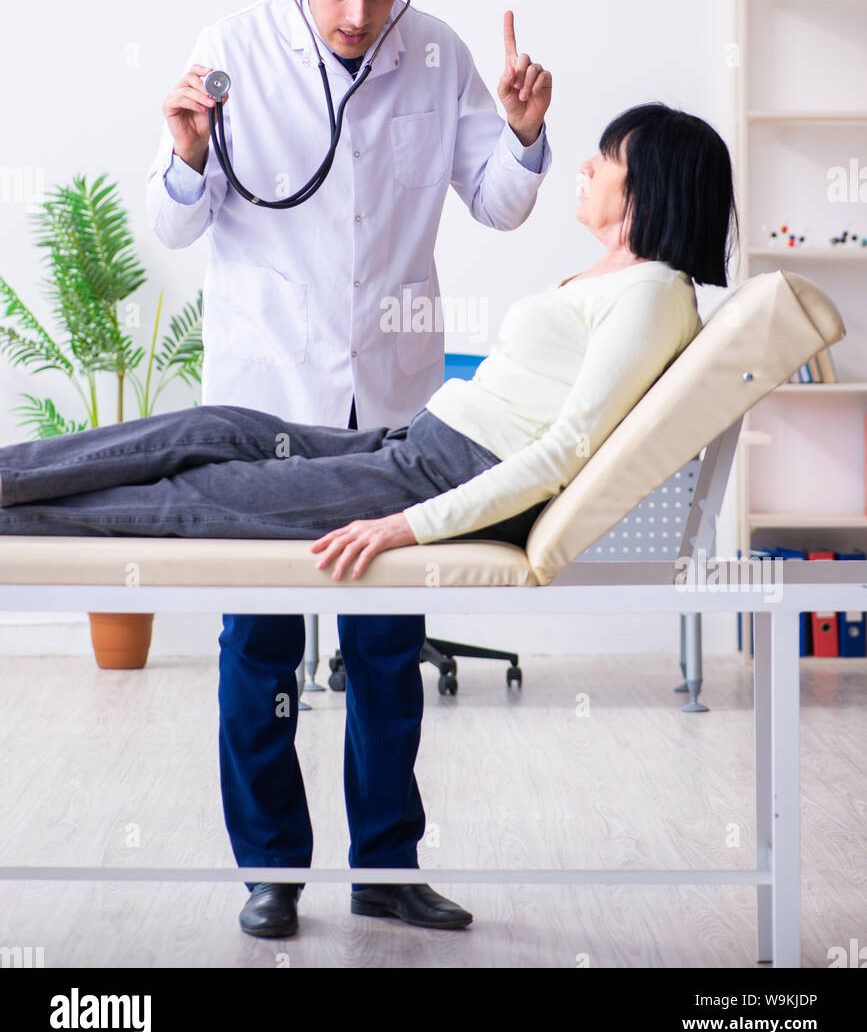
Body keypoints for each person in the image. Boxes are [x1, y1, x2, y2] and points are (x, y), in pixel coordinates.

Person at [0, 101, 739, 937]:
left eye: (605, 160)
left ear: (652, 186)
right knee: (211, 429)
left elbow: (565, 450)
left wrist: (408, 523)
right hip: (409, 442)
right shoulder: (619, 275)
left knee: (193, 505)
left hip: (429, 475)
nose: (586, 169)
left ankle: (384, 875)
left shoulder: (651, 295)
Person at [145, 0, 553, 936]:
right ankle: (271, 872)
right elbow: (176, 227)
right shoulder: (233, 49)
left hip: (392, 400)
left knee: (384, 649)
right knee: (260, 647)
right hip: (266, 395)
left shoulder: (438, 52)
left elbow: (501, 204)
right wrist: (188, 152)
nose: (360, 14)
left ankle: (386, 865)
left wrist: (521, 135)